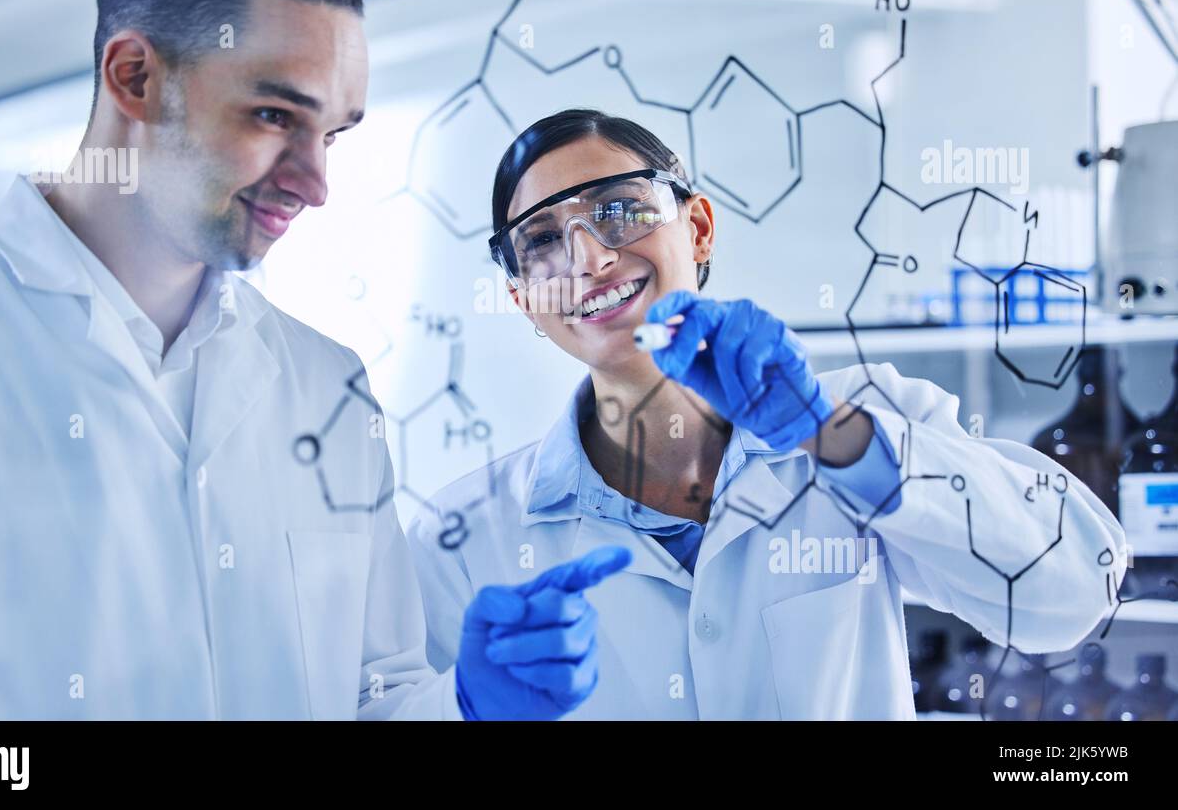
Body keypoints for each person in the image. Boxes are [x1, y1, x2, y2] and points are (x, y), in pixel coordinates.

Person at [0, 0, 628, 721]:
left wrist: (466, 702)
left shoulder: (327, 388)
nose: (315, 184)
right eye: (275, 115)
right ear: (134, 77)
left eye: (334, 133)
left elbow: (373, 695)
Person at [406, 108, 1129, 720]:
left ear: (697, 229)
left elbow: (1070, 594)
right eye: (540, 241)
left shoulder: (863, 420)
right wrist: (465, 704)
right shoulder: (462, 535)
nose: (589, 258)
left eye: (618, 209)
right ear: (524, 300)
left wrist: (833, 438)